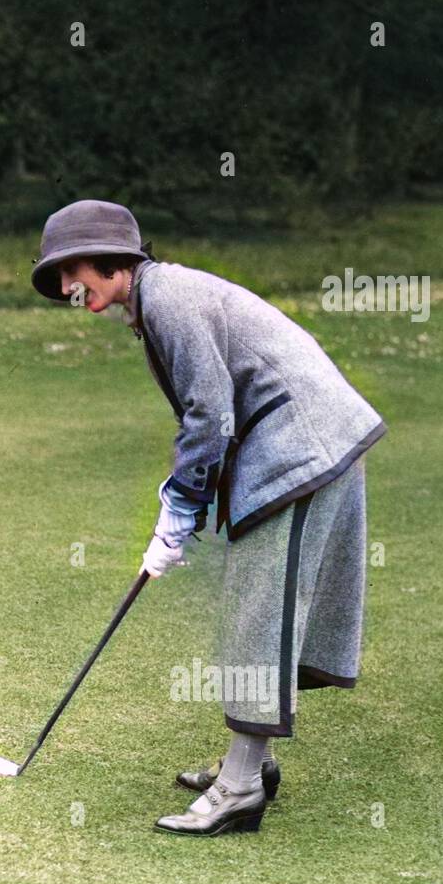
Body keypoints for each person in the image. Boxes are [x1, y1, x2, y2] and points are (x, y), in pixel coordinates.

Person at [30, 200, 386, 835]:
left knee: (259, 608)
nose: (64, 286)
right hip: (302, 441)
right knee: (261, 606)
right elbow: (212, 412)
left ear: (109, 260)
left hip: (303, 445)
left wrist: (180, 505)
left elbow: (210, 413)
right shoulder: (157, 298)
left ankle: (241, 787)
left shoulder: (167, 299)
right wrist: (183, 503)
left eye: (70, 269)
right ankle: (252, 763)